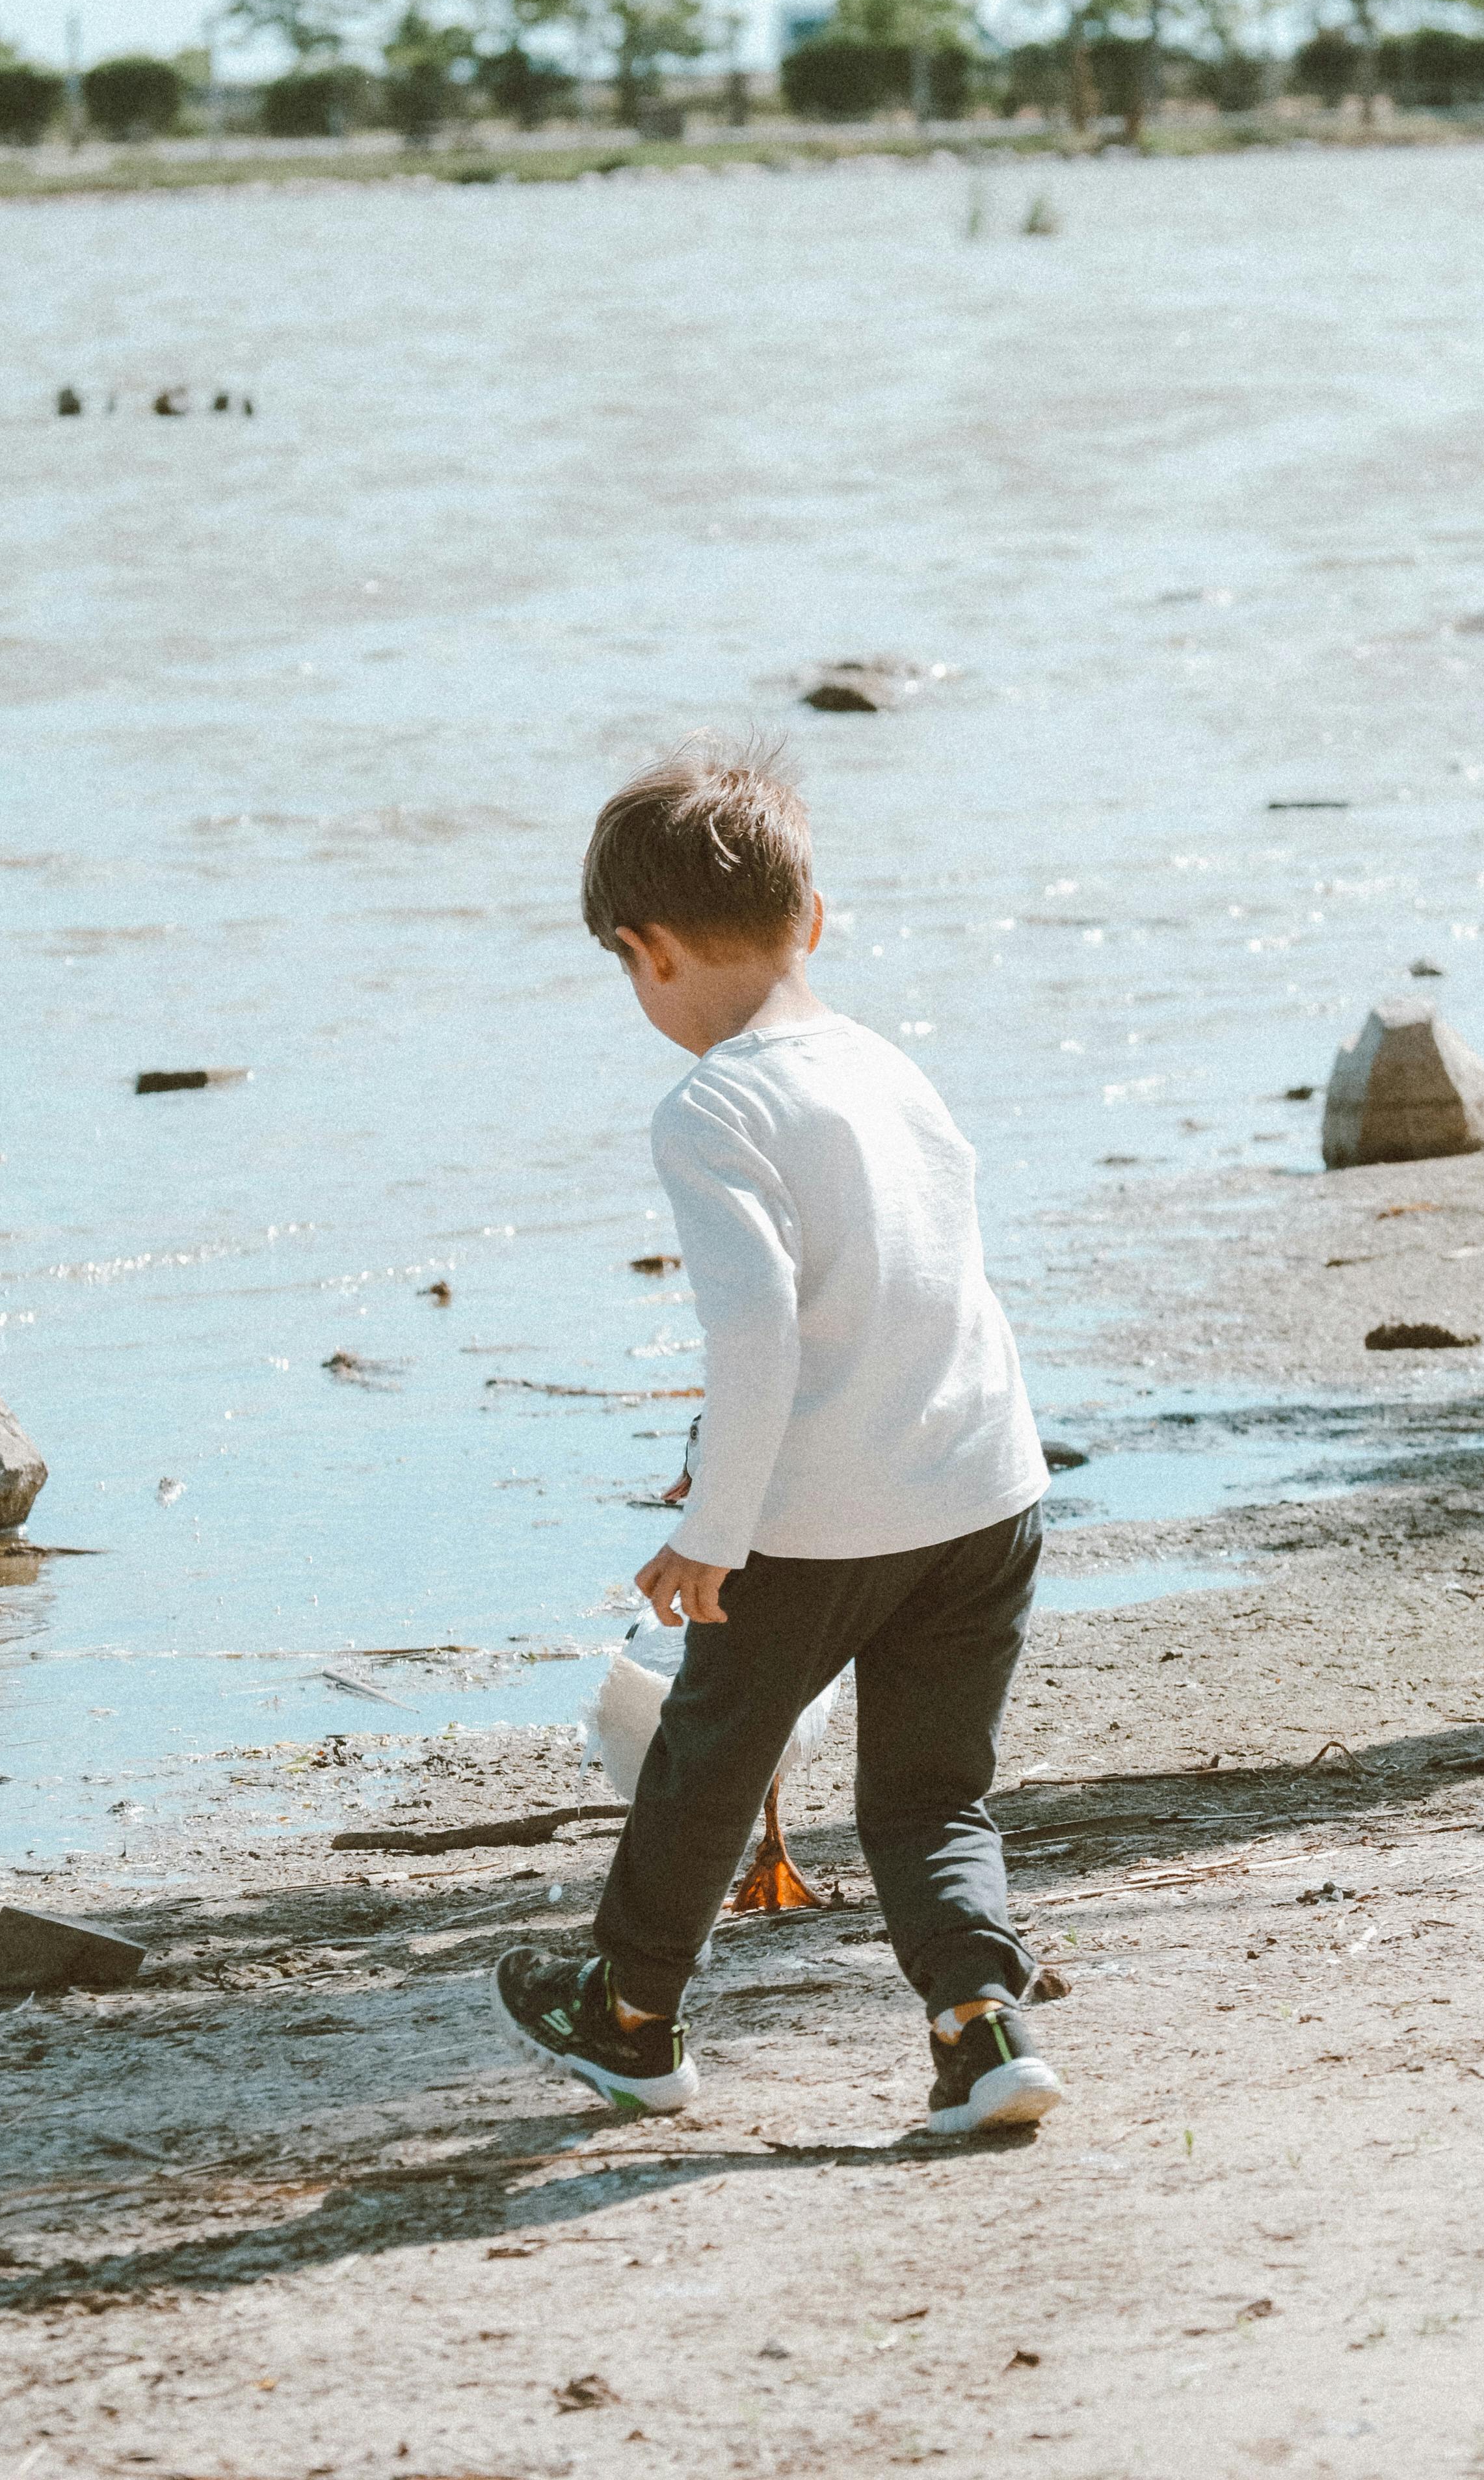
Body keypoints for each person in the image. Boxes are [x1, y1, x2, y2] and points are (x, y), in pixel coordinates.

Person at [492, 740, 1061, 2136]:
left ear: (647, 952)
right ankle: (982, 2028)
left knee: (711, 1757)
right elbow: (903, 1290)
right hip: (982, 1487)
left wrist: (711, 1527)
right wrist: (719, 1450)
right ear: (813, 920)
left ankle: (628, 2017)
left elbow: (758, 1334)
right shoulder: (888, 1067)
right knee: (931, 1796)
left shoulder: (715, 1105)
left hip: (815, 1520)